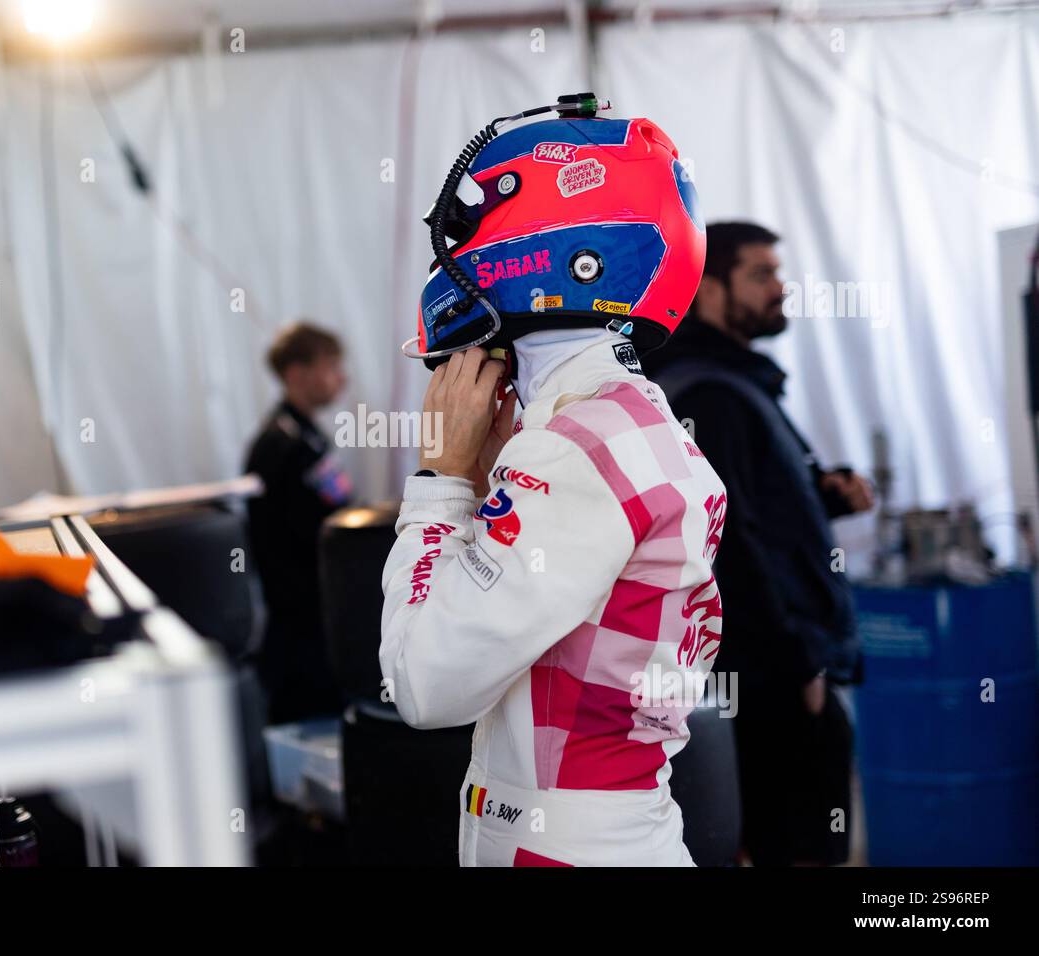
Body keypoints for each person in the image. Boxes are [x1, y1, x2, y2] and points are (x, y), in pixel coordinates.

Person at [379, 94, 724, 866]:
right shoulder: (627, 422)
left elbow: (423, 683)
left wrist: (440, 479)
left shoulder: (577, 445)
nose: (453, 264)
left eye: (468, 235)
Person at [643, 221, 872, 866]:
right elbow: (730, 551)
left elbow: (754, 508)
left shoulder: (729, 381)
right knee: (797, 847)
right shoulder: (708, 392)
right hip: (767, 676)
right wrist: (797, 666)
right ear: (708, 290)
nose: (780, 287)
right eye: (761, 274)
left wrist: (822, 495)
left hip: (759, 670)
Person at [244, 322, 353, 724]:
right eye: (331, 366)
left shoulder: (307, 437)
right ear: (296, 374)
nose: (341, 378)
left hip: (317, 620)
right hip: (301, 632)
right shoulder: (281, 444)